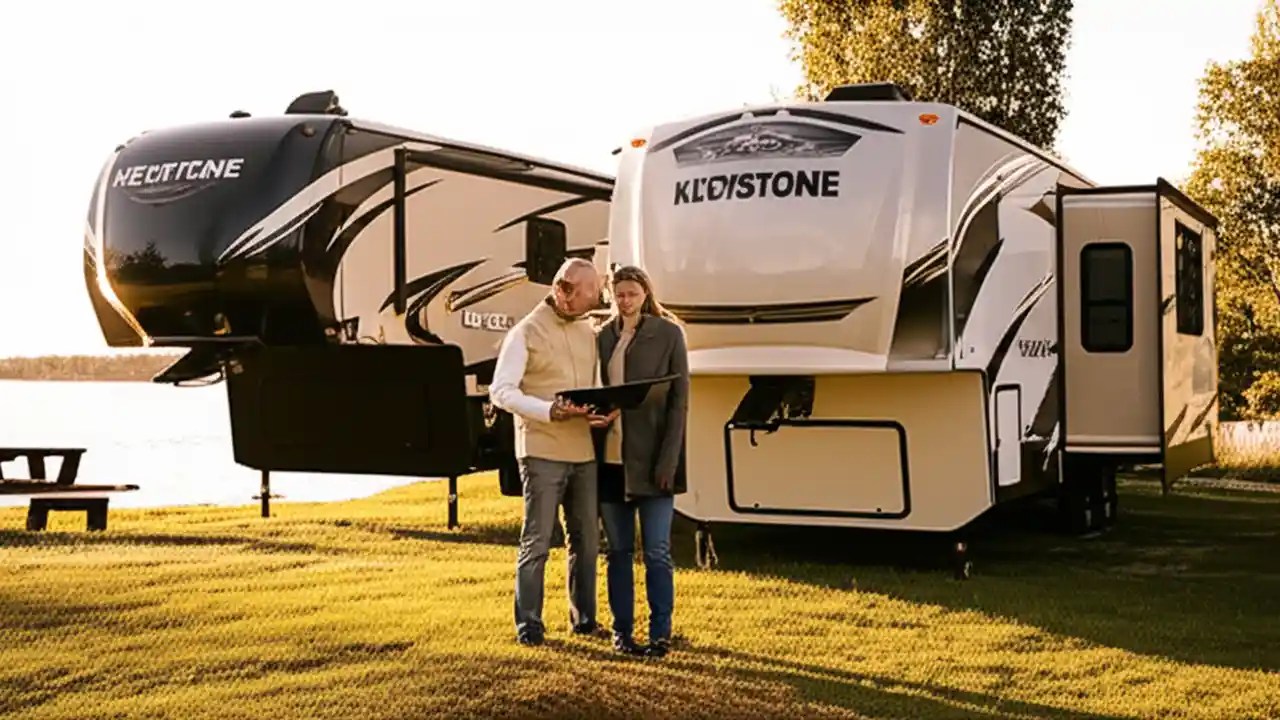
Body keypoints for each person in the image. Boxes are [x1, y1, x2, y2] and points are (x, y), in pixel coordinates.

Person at [489, 257, 617, 646]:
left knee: (586, 540)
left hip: (583, 452)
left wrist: (599, 413)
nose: (597, 300)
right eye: (589, 293)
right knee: (538, 540)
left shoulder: (587, 331)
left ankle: (584, 620)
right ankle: (529, 624)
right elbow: (501, 392)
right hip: (540, 451)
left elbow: (592, 384)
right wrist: (548, 411)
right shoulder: (524, 333)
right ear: (562, 290)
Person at [594, 264, 689, 658]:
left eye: (632, 293)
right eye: (619, 294)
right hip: (611, 463)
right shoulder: (602, 337)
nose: (625, 300)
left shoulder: (668, 334)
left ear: (645, 293)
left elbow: (679, 404)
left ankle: (660, 634)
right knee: (617, 551)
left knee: (656, 552)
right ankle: (622, 633)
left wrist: (669, 461)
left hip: (653, 463)